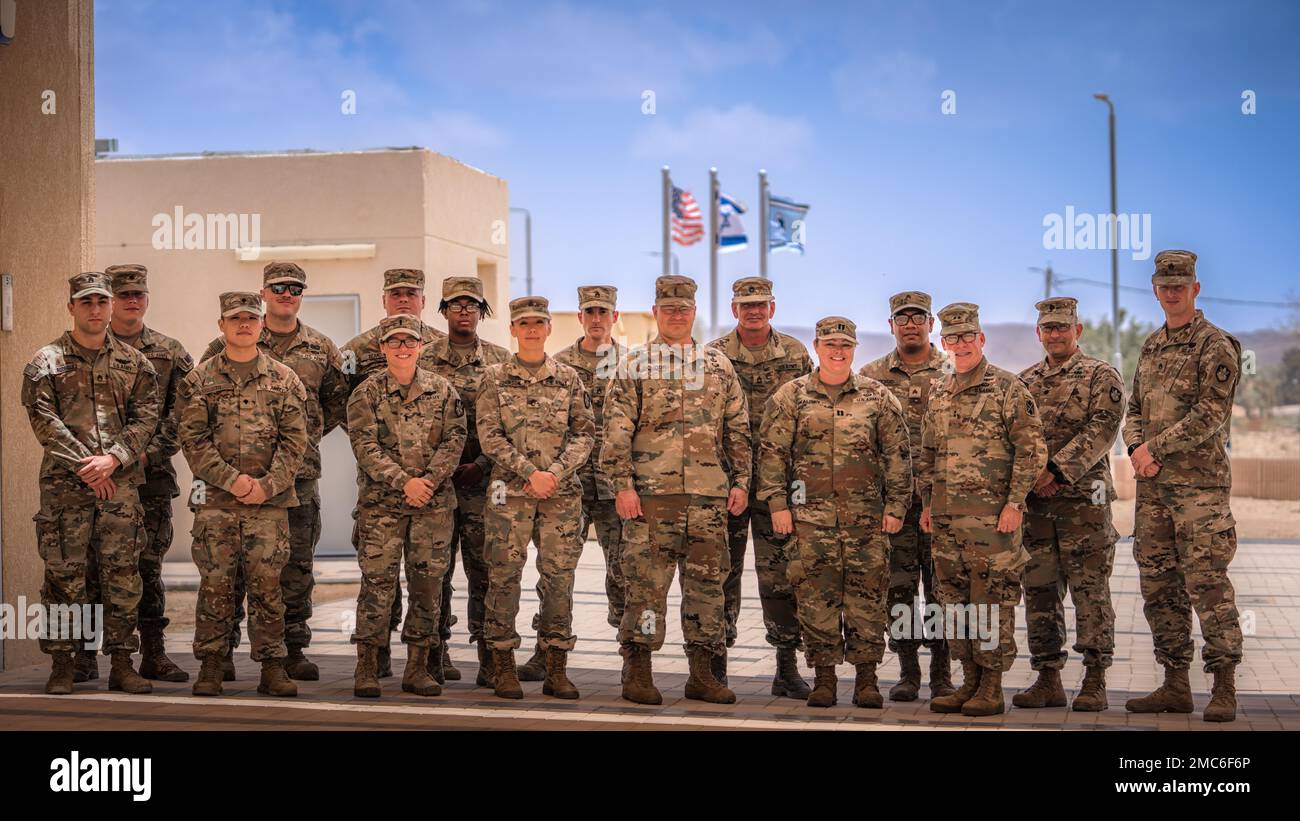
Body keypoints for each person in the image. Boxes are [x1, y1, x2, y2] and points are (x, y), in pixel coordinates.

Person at [601, 275, 750, 705]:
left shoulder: (719, 366)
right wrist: (622, 486)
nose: (677, 315)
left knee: (707, 590)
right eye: (668, 308)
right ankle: (639, 671)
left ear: (694, 312)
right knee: (646, 589)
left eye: (683, 308)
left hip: (707, 501)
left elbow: (737, 430)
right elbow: (615, 432)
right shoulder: (634, 365)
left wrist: (740, 482)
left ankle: (701, 675)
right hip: (651, 501)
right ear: (656, 312)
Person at [200, 261, 348, 682]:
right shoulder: (228, 341)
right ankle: (222, 653)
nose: (287, 293)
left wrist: (298, 441)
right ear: (263, 292)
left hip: (296, 478)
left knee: (294, 566)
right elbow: (201, 408)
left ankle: (292, 649)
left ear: (302, 295)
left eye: (295, 288)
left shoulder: (321, 347)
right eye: (278, 287)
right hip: (232, 480)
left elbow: (336, 403)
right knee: (229, 569)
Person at [758, 316, 912, 708]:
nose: (838, 351)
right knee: (815, 599)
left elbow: (898, 456)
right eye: (830, 345)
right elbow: (773, 454)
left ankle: (866, 680)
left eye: (845, 345)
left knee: (867, 601)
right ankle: (824, 678)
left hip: (866, 521)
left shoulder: (877, 398)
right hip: (810, 521)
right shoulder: (790, 397)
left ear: (854, 348)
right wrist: (778, 504)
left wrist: (896, 506)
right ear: (817, 346)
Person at [23, 272, 160, 695]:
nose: (96, 310)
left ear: (111, 305)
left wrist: (113, 459)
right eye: (86, 303)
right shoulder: (46, 362)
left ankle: (122, 662)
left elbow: (146, 417)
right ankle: (64, 665)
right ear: (71, 308)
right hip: (67, 490)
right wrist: (90, 466)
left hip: (118, 487)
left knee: (123, 575)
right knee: (65, 576)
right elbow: (43, 420)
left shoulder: (135, 364)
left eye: (102, 301)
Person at [1123, 250, 1243, 723]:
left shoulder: (1216, 345)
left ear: (1196, 288)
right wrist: (1136, 446)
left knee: (1208, 586)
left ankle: (1225, 687)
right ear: (1155, 289)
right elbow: (1133, 409)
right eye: (1163, 284)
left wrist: (1155, 450)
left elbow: (1210, 416)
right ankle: (1175, 683)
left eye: (1181, 283)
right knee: (1159, 588)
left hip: (1200, 494)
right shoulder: (1152, 346)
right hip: (1154, 494)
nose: (1171, 291)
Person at [918, 302, 1046, 716]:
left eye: (967, 336)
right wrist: (926, 504)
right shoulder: (938, 390)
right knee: (954, 605)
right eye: (952, 338)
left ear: (981, 338)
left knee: (991, 603)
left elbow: (1032, 449)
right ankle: (968, 682)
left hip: (993, 523)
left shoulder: (1008, 388)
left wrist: (1014, 502)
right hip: (946, 520)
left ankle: (991, 687)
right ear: (943, 343)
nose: (960, 344)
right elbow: (927, 453)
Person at [179, 292, 308, 698]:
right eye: (235, 318)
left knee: (268, 586)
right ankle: (213, 665)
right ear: (222, 325)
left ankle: (273, 666)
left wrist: (267, 486)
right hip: (217, 503)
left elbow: (295, 442)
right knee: (216, 586)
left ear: (262, 324)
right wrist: (232, 481)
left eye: (251, 317)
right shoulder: (200, 380)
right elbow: (193, 440)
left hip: (268, 506)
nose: (244, 324)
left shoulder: (284, 379)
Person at [476, 296, 594, 699]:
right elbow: (489, 436)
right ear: (512, 329)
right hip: (509, 495)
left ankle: (556, 667)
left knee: (559, 581)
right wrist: (531, 473)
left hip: (560, 497)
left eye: (538, 322)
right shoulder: (493, 378)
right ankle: (503, 666)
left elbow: (585, 434)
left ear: (548, 329)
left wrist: (555, 473)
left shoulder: (569, 378)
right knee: (504, 579)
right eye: (523, 322)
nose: (530, 329)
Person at [346, 314, 466, 698]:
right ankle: (367, 665)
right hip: (382, 506)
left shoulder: (443, 391)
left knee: (427, 586)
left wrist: (427, 482)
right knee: (377, 585)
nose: (402, 348)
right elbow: (365, 447)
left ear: (420, 346)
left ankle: (417, 667)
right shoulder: (365, 393)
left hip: (432, 506)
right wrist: (405, 482)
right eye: (394, 342)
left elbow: (455, 439)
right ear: (382, 348)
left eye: (409, 341)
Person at [1014, 297, 1122, 711]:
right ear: (1038, 333)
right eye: (1048, 328)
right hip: (1036, 507)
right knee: (1040, 592)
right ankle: (1048, 678)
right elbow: (1017, 437)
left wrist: (1056, 472)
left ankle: (1095, 679)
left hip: (1083, 507)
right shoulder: (1024, 381)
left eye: (1063, 327)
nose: (1055, 334)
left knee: (1090, 592)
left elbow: (1103, 429)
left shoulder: (1100, 375)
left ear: (1078, 331)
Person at [707, 276, 812, 697]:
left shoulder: (795, 354)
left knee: (782, 577)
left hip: (776, 487)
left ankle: (786, 668)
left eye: (761, 304)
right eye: (745, 304)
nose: (753, 310)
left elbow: (807, 421)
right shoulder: (713, 355)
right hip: (727, 483)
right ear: (734, 309)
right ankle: (716, 665)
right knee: (720, 575)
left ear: (773, 307)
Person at [517, 285, 625, 682]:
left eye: (604, 311)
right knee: (555, 572)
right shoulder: (556, 365)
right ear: (579, 317)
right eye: (589, 311)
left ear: (615, 316)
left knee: (626, 573)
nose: (597, 318)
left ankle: (633, 657)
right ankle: (546, 651)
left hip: (617, 488)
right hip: (569, 487)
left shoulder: (632, 365)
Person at [94, 263, 193, 684]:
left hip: (149, 477)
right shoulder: (90, 347)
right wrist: (100, 462)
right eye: (123, 294)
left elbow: (185, 413)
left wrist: (141, 455)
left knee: (148, 567)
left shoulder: (169, 352)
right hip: (97, 478)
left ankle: (153, 654)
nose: (132, 300)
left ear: (147, 299)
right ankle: (80, 656)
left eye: (138, 293)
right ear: (111, 300)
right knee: (86, 566)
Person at [858, 290, 954, 701]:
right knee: (898, 590)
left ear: (932, 324)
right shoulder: (871, 376)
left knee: (940, 590)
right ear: (891, 325)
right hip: (892, 507)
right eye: (903, 317)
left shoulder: (954, 371)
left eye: (919, 317)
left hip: (942, 504)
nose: (911, 324)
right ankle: (908, 672)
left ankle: (942, 675)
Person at [425, 276, 510, 687]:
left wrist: (482, 463)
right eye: (456, 304)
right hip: (435, 485)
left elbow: (512, 426)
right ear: (443, 310)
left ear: (482, 311)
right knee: (435, 570)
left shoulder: (500, 360)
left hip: (483, 482)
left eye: (472, 304)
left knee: (485, 570)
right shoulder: (422, 359)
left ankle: (489, 654)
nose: (464, 311)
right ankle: (434, 652)